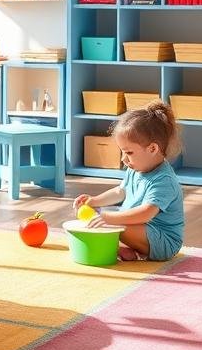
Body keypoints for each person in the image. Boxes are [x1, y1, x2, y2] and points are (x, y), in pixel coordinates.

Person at [72, 101, 184, 261]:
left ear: (153, 149)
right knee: (101, 218)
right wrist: (93, 201)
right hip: (142, 230)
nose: (124, 159)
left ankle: (125, 246)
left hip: (164, 241)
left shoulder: (164, 180)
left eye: (129, 152)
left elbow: (146, 213)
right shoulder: (135, 168)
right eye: (122, 152)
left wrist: (108, 218)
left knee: (110, 222)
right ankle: (129, 250)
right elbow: (120, 192)